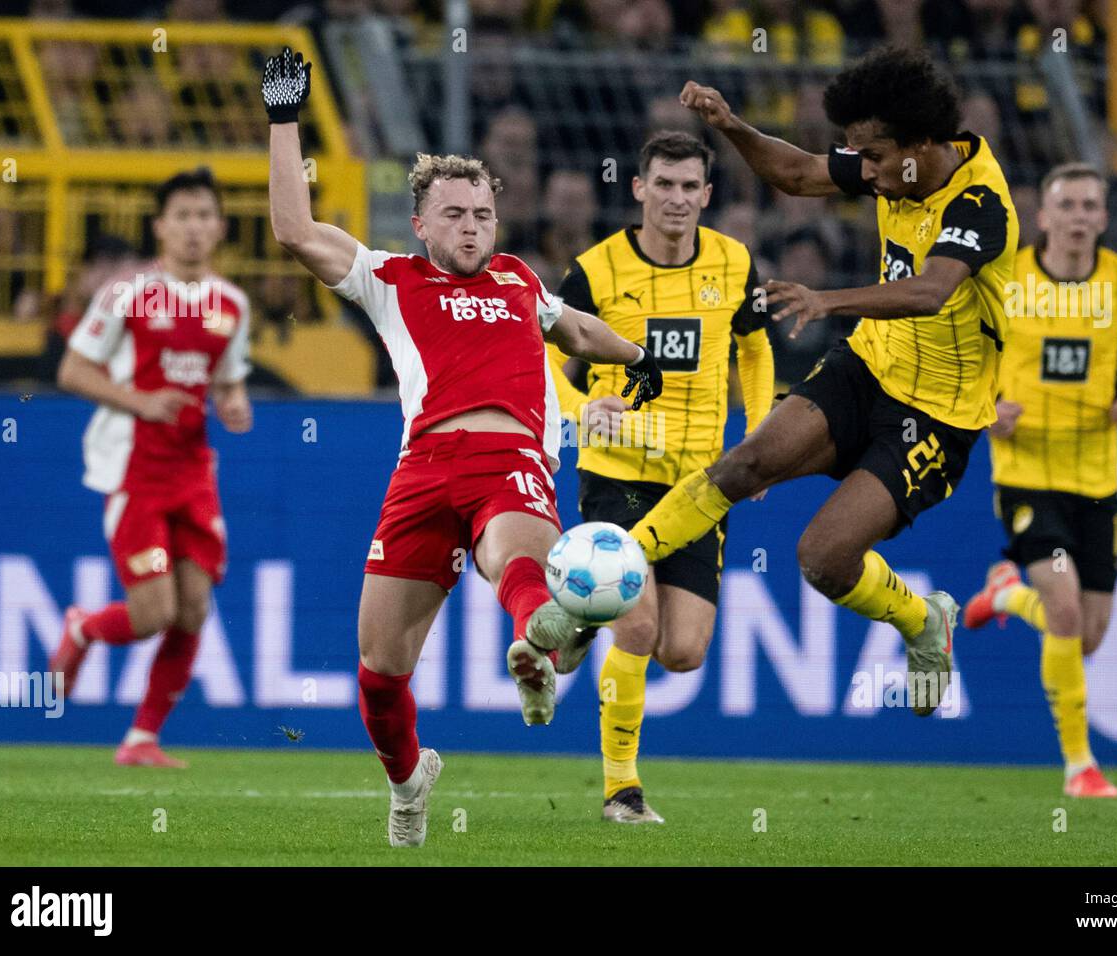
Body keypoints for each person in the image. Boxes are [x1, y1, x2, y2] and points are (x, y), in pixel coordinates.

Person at [260, 48, 663, 847]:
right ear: (421, 223)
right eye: (455, 214)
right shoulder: (388, 278)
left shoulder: (519, 280)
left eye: (482, 213)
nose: (473, 226)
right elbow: (294, 230)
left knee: (520, 557)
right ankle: (411, 780)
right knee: (379, 673)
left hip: (508, 460)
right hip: (421, 472)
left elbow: (574, 328)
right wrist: (283, 118)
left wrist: (636, 355)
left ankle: (540, 634)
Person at [627, 46, 1020, 717]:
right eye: (857, 155)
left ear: (921, 147)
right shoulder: (891, 164)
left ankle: (923, 619)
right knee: (745, 464)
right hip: (869, 365)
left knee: (823, 558)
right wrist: (730, 124)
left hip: (939, 414)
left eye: (872, 157)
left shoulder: (980, 203)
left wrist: (826, 300)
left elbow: (930, 291)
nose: (862, 171)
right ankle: (621, 561)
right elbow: (799, 172)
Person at [546, 130, 775, 823]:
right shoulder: (595, 270)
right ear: (640, 189)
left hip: (699, 481)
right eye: (664, 185)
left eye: (690, 188)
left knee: (683, 652)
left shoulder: (735, 263)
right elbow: (546, 356)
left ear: (706, 195)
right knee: (639, 630)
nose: (677, 199)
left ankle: (583, 617)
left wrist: (762, 438)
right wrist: (585, 410)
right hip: (616, 473)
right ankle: (622, 790)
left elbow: (756, 352)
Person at [963, 163, 1117, 798]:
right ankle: (1080, 766)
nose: (1078, 216)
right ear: (1043, 218)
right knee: (1067, 607)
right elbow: (970, 361)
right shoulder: (1008, 279)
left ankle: (1004, 594)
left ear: (1103, 219)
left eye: (1089, 206)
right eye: (1066, 205)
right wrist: (986, 407)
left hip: (1097, 477)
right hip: (1025, 472)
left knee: (1087, 635)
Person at [50, 168, 253, 769]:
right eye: (182, 216)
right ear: (161, 227)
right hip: (132, 469)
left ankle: (142, 738)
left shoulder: (232, 304)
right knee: (155, 612)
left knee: (194, 608)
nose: (194, 228)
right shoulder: (126, 294)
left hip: (193, 474)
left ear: (219, 227)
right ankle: (85, 627)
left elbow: (228, 380)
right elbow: (72, 371)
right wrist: (142, 402)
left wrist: (234, 402)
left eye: (204, 216)